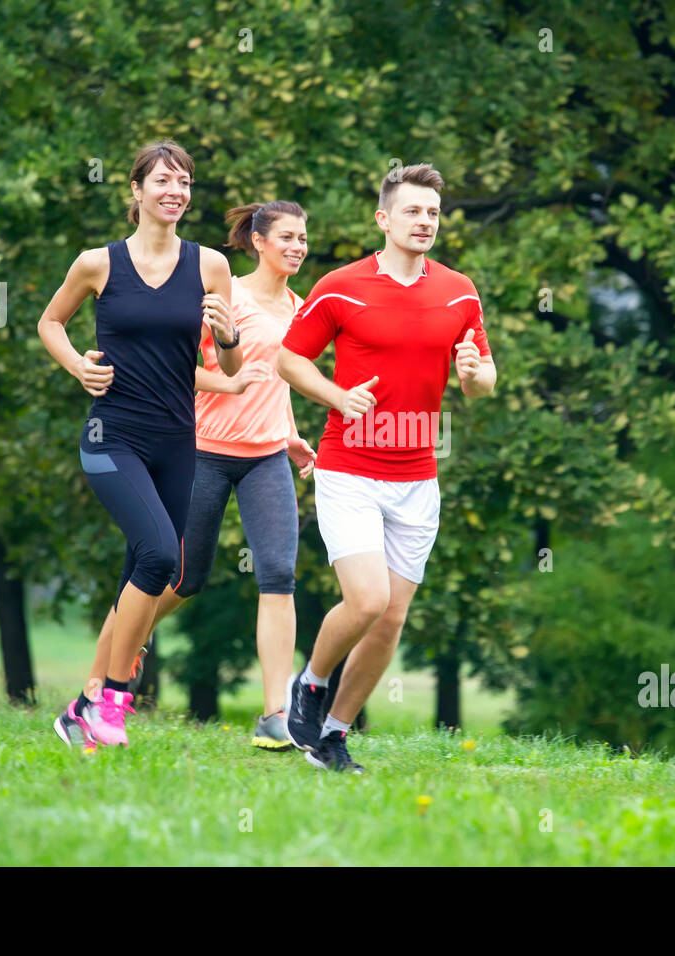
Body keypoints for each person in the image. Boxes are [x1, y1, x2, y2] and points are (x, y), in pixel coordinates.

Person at [276, 163, 497, 772]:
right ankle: (312, 682)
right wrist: (337, 397)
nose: (425, 222)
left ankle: (334, 736)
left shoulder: (459, 290)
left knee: (392, 616)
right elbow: (290, 360)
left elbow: (481, 377)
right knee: (368, 599)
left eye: (432, 213)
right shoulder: (341, 286)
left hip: (417, 476)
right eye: (412, 212)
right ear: (384, 219)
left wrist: (478, 376)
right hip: (348, 466)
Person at [90, 201, 317, 751]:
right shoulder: (221, 293)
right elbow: (174, 370)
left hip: (265, 455)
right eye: (286, 237)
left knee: (279, 575)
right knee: (179, 577)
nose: (297, 247)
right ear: (258, 241)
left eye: (303, 238)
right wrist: (229, 387)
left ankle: (275, 714)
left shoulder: (300, 307)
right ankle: (101, 684)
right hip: (203, 450)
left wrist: (286, 434)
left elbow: (277, 381)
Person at [38, 140, 239, 749]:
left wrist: (229, 338)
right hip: (112, 436)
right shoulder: (97, 264)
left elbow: (228, 367)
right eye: (163, 181)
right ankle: (115, 701)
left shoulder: (210, 266)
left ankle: (80, 711)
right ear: (137, 191)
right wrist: (78, 366)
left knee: (146, 568)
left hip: (178, 440)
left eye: (185, 182)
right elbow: (50, 323)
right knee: (159, 556)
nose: (175, 191)